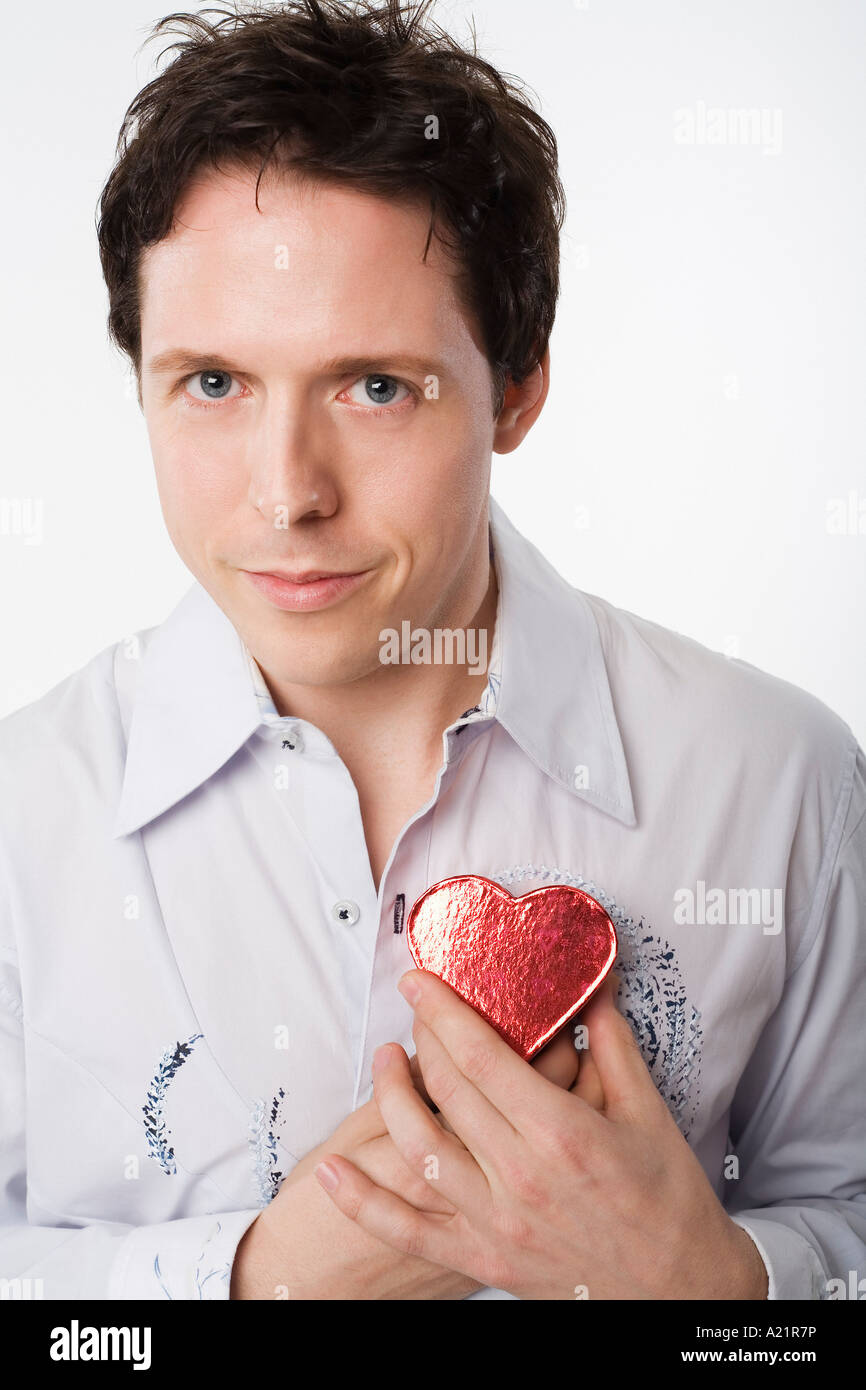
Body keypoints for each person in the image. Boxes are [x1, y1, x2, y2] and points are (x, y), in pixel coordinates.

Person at [0, 0, 863, 1302]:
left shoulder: (775, 777)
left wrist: (714, 1288)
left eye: (375, 386)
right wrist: (243, 1285)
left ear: (514, 388)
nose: (284, 493)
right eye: (215, 384)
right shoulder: (22, 816)